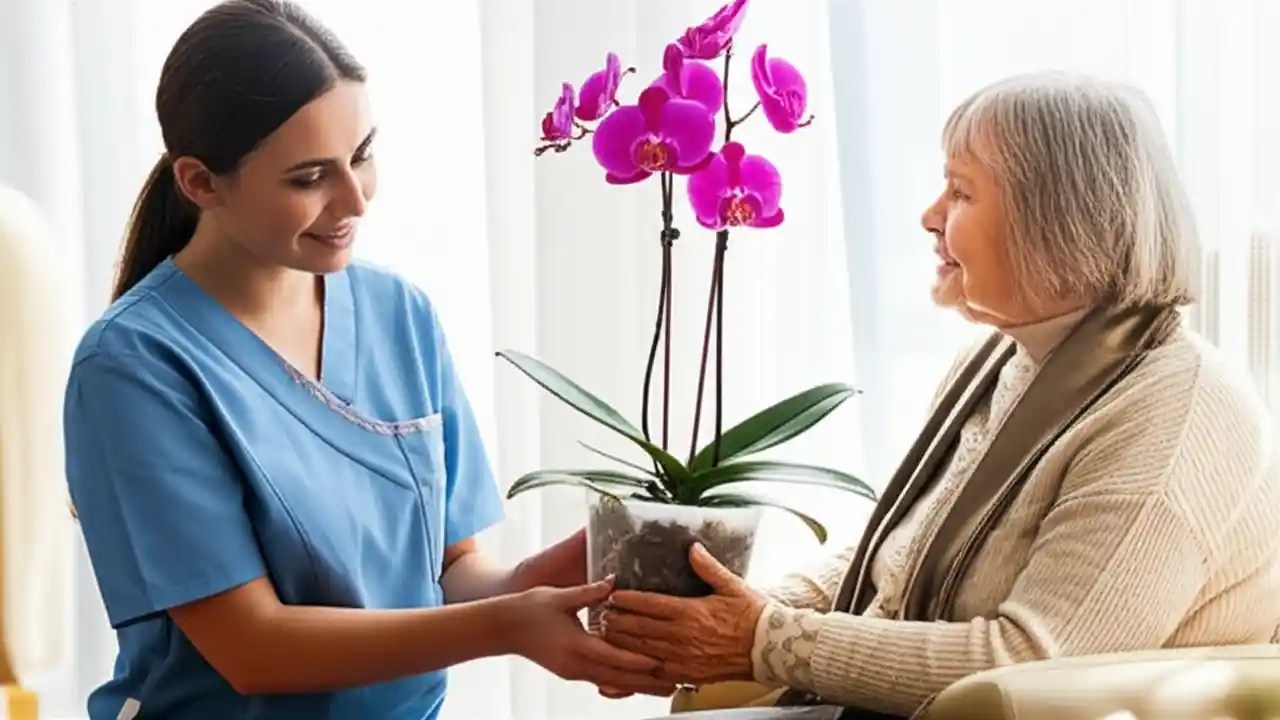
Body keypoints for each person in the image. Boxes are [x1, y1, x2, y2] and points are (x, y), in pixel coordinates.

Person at [598, 72, 1280, 719]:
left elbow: (1032, 663)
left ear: (1056, 216)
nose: (929, 216)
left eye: (960, 191)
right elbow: (890, 562)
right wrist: (716, 619)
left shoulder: (1176, 409)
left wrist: (763, 638)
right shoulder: (999, 362)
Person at [63, 2, 673, 718]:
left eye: (361, 155)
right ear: (201, 182)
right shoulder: (134, 366)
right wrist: (508, 627)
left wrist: (553, 577)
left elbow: (448, 574)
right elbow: (251, 648)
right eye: (308, 177)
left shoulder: (398, 314)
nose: (355, 199)